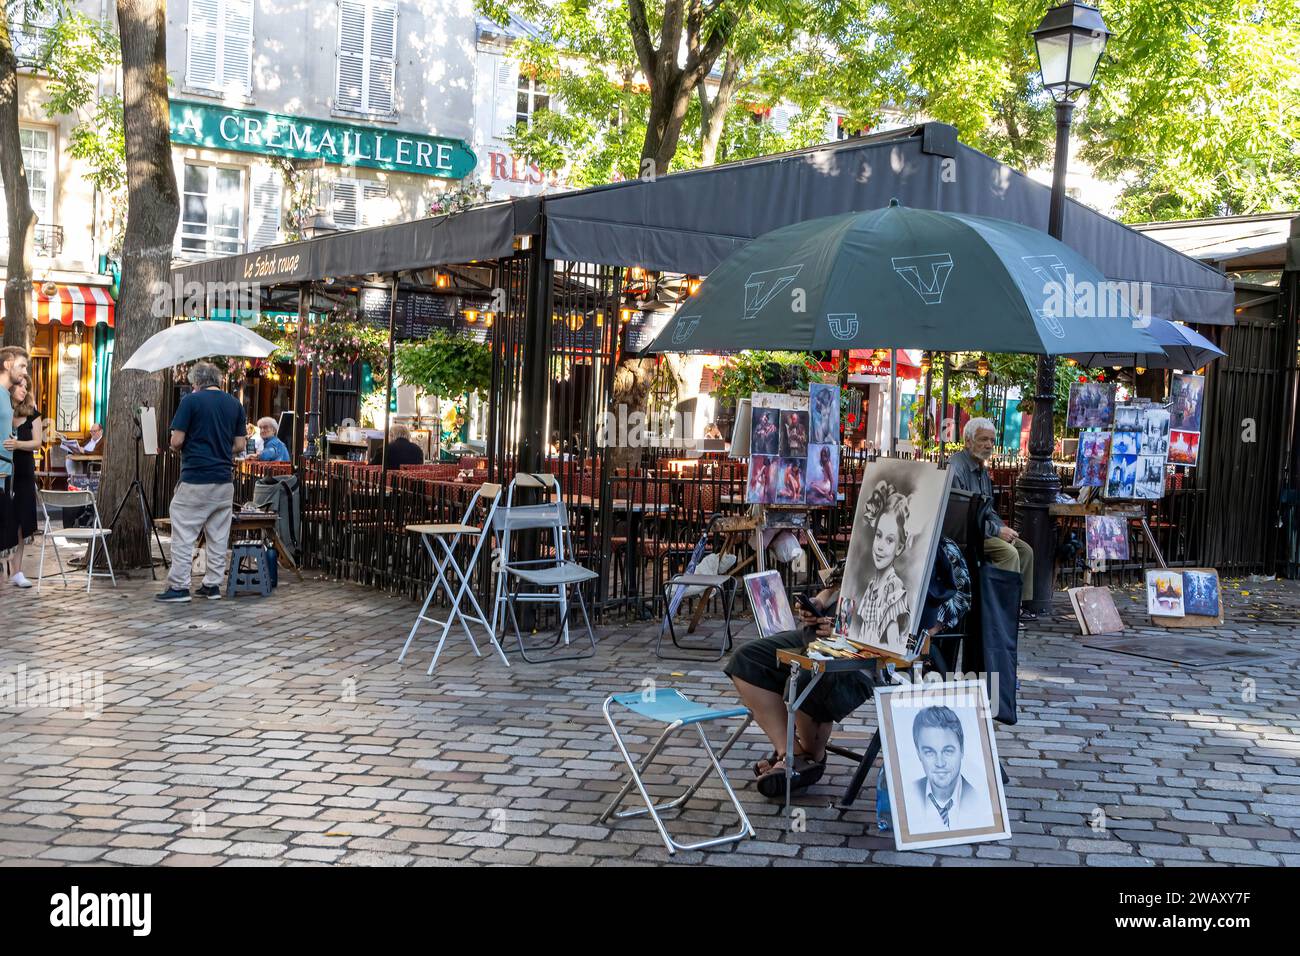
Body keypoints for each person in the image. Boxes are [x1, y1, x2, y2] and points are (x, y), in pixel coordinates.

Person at [726, 539, 970, 799]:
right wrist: (817, 605)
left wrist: (849, 628)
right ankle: (792, 753)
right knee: (748, 660)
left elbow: (948, 612)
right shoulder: (872, 529)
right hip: (826, 635)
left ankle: (810, 758)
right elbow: (834, 584)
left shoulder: (943, 549)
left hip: (879, 651)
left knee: (811, 673)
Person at [158, 361, 247, 603]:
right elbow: (239, 445)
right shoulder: (234, 404)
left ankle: (179, 586)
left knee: (184, 533)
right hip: (223, 481)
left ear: (196, 382)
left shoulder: (190, 401)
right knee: (218, 536)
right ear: (217, 380)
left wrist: (184, 445)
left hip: (196, 477)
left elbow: (176, 441)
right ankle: (212, 585)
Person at [947, 417, 1035, 622]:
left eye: (992, 441)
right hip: (965, 534)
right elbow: (961, 516)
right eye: (983, 439)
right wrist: (996, 531)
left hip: (981, 529)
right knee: (1009, 553)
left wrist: (1002, 529)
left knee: (1025, 550)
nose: (988, 445)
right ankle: (1004, 611)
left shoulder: (981, 469)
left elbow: (988, 509)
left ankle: (1018, 605)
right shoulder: (957, 467)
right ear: (968, 441)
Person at [846, 481, 912, 653]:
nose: (880, 546)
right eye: (879, 535)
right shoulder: (873, 586)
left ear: (899, 547)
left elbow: (893, 648)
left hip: (879, 667)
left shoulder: (893, 588)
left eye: (890, 540)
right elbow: (862, 634)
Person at [908, 705, 988, 831]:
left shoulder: (982, 801)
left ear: (962, 749)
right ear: (919, 753)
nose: (940, 763)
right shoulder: (907, 796)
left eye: (948, 751)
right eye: (929, 752)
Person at [3, 374, 42, 588]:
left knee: (20, 522)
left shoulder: (33, 414)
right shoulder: (4, 412)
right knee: (4, 517)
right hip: (5, 470)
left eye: (26, 387)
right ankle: (5, 565)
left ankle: (17, 571)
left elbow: (37, 443)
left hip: (24, 472)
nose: (23, 390)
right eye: (20, 385)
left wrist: (18, 444)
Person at [0, 346, 29, 585]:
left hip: (6, 477)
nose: (25, 371)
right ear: (8, 363)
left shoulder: (6, 398)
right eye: (22, 365)